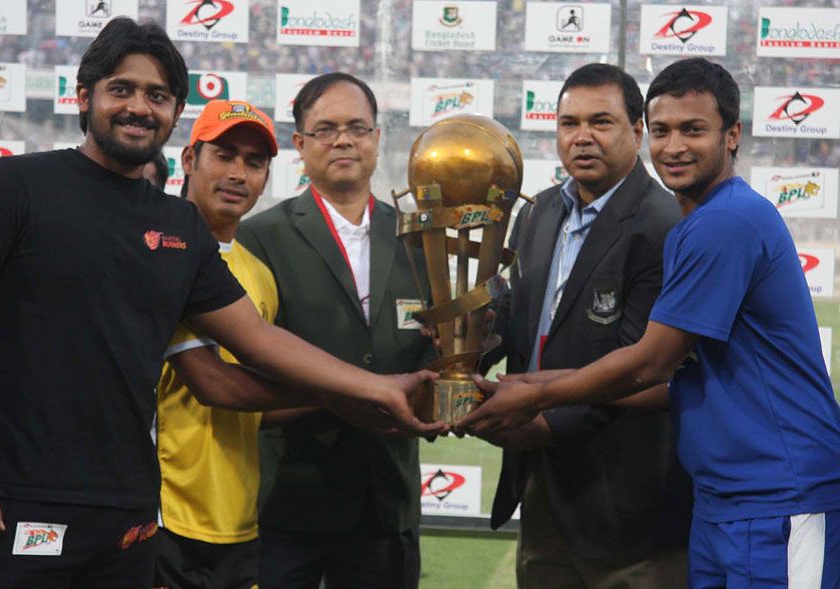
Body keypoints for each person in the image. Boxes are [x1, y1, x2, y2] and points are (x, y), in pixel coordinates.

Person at [0, 18, 442, 588]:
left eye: (157, 96)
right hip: (17, 494)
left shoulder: (178, 226)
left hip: (128, 512)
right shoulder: (15, 185)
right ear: (84, 97)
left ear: (175, 113)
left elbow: (257, 338)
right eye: (121, 89)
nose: (139, 107)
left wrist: (378, 387)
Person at [462, 57, 840, 588]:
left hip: (780, 493)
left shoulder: (725, 221)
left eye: (693, 130)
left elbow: (650, 362)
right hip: (722, 495)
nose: (673, 147)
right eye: (662, 131)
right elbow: (678, 379)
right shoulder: (696, 222)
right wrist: (532, 380)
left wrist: (536, 396)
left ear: (732, 135)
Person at [477, 63, 689, 588]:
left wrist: (542, 419)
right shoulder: (540, 211)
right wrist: (466, 347)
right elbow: (518, 317)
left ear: (637, 132)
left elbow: (641, 368)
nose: (582, 137)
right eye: (569, 123)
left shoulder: (664, 225)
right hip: (542, 485)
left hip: (626, 498)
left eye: (601, 122)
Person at [238, 72, 434, 589]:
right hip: (289, 502)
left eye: (356, 127)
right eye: (325, 129)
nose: (343, 140)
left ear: (375, 138)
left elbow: (435, 357)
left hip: (387, 500)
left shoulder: (421, 239)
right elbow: (246, 370)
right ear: (299, 145)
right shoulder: (260, 237)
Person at [154, 99, 302, 589]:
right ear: (189, 159)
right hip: (160, 512)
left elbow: (260, 401)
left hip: (237, 518)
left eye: (254, 162)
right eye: (225, 155)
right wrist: (350, 391)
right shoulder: (159, 251)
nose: (239, 173)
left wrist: (362, 405)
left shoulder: (259, 275)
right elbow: (215, 385)